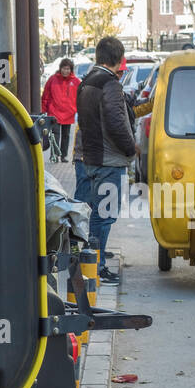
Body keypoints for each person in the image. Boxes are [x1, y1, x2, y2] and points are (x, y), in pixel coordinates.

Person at [76, 36, 137, 284]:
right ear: (118, 59)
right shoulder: (110, 83)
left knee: (92, 213)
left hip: (89, 158)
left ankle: (89, 260)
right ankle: (96, 266)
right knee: (104, 216)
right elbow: (115, 122)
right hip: (108, 161)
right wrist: (130, 148)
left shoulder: (86, 81)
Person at [41, 58, 80, 161]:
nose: (65, 71)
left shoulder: (75, 81)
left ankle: (63, 156)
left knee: (66, 135)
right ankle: (54, 155)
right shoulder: (52, 79)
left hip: (69, 112)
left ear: (71, 70)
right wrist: (44, 109)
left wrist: (77, 109)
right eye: (64, 68)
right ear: (60, 68)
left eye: (68, 69)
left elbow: (80, 97)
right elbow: (46, 96)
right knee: (55, 134)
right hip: (54, 112)